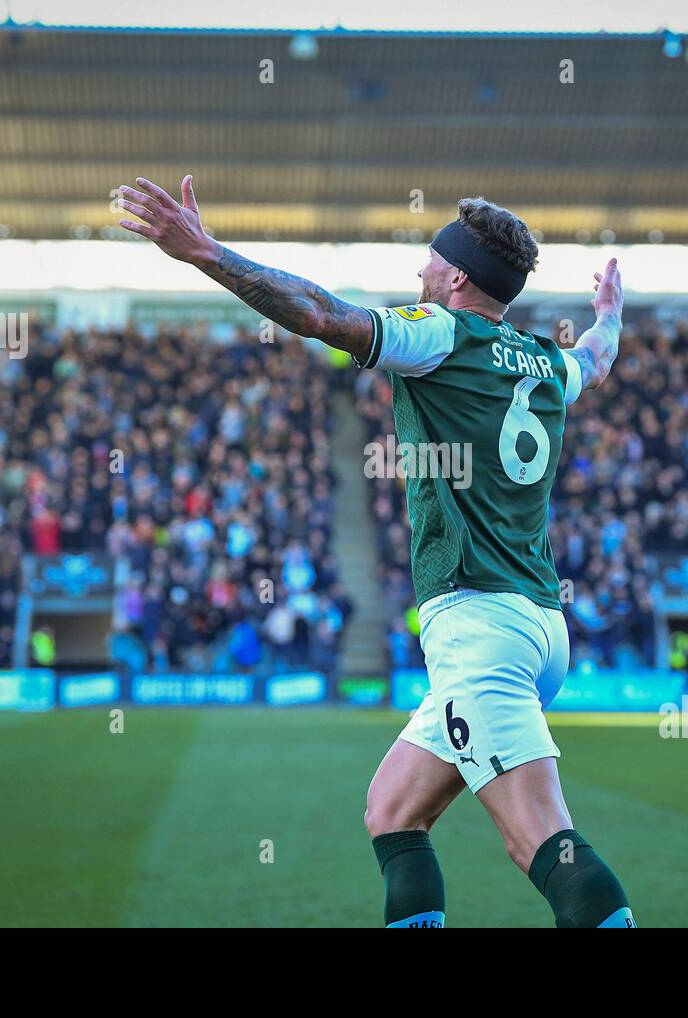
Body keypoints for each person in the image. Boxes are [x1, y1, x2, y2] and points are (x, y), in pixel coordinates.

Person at [120, 177, 634, 929]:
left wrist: (202, 251)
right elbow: (598, 356)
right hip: (536, 625)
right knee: (392, 811)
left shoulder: (438, 332)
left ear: (457, 278)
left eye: (431, 262)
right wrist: (610, 315)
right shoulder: (544, 363)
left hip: (480, 623)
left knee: (542, 845)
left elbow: (321, 314)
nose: (420, 273)